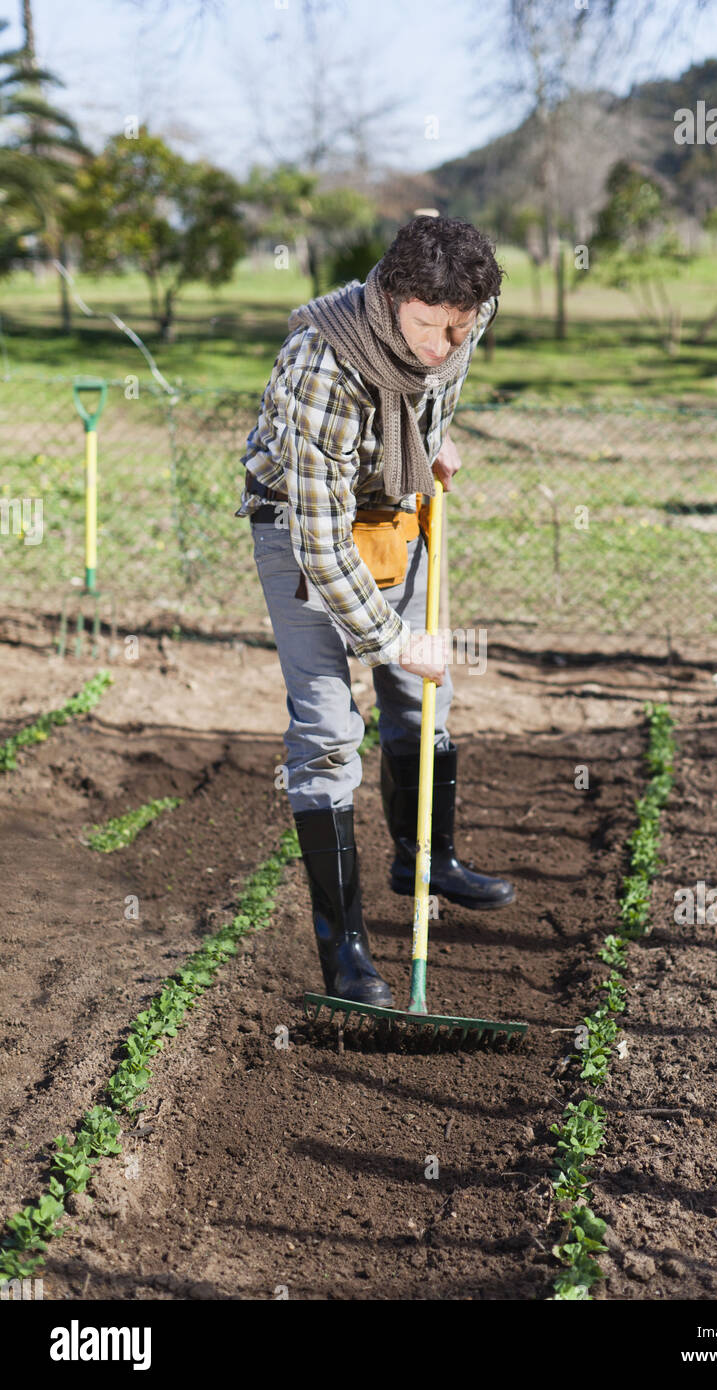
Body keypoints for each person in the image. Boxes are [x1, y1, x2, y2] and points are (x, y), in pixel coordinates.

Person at [235, 215, 515, 1006]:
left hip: (394, 503)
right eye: (426, 327)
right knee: (328, 733)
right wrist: (393, 641)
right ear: (389, 297)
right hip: (301, 529)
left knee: (427, 701)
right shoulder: (321, 366)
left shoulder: (468, 311)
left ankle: (426, 856)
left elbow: (431, 388)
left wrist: (434, 435)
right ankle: (347, 952)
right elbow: (323, 550)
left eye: (456, 329)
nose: (440, 345)